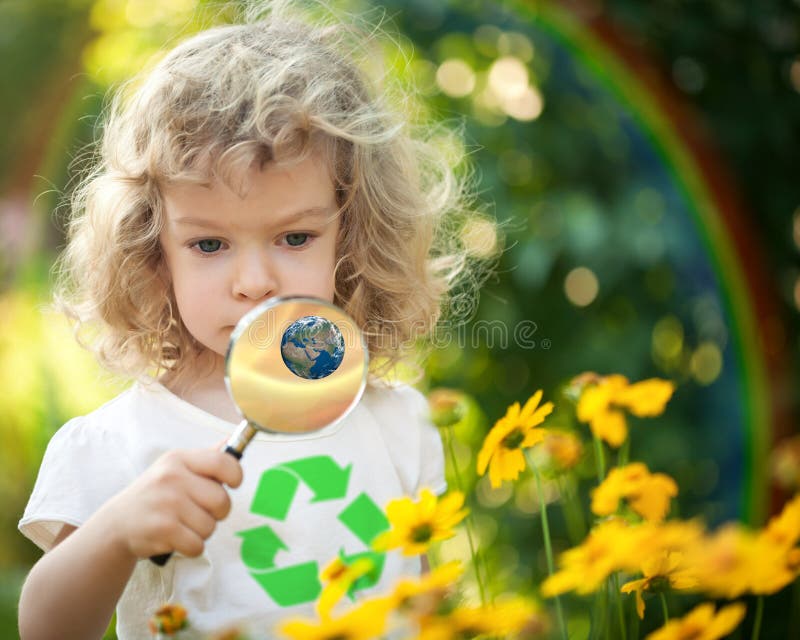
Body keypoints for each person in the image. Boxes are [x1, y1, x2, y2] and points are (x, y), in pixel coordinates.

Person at [17, 2, 490, 638]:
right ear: (152, 252)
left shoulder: (397, 423)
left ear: (349, 239)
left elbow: (428, 605)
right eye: (209, 246)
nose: (255, 282)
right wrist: (117, 531)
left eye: (294, 238)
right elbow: (46, 629)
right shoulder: (118, 447)